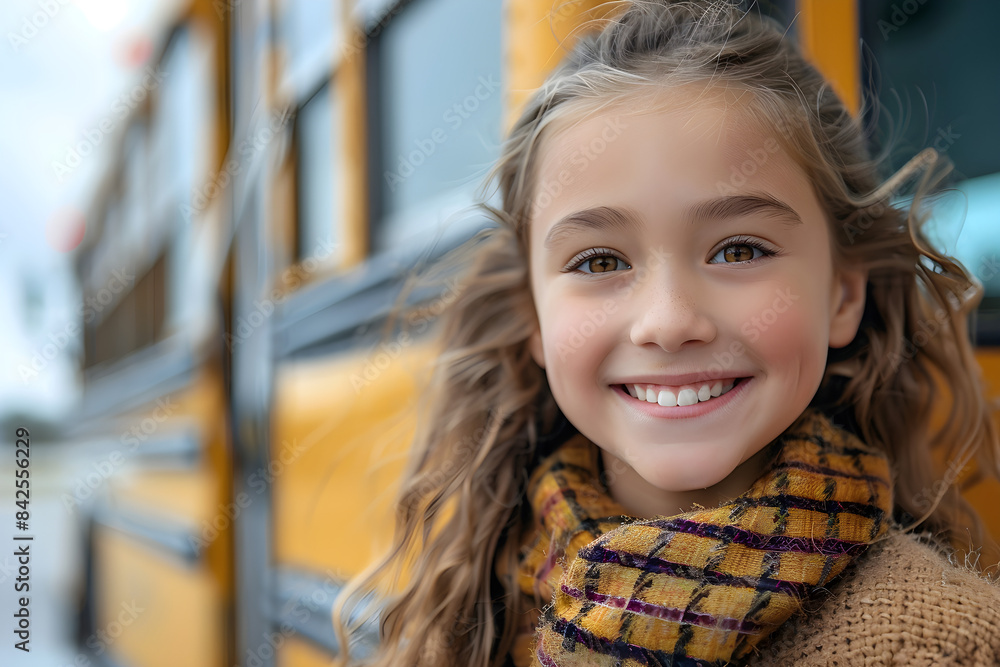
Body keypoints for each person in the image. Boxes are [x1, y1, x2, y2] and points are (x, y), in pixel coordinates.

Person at [332, 1, 1000, 665]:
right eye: (600, 261)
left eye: (739, 250)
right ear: (533, 316)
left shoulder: (945, 642)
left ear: (842, 293)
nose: (669, 320)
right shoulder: (476, 607)